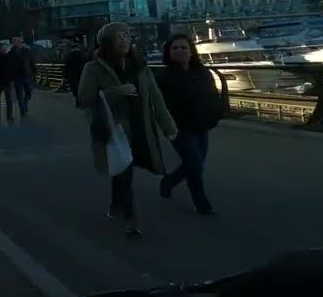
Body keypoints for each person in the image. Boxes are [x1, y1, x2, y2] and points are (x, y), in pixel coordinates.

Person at [78, 22, 178, 236]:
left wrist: (168, 126)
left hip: (141, 127)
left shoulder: (140, 66)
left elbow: (156, 99)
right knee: (124, 172)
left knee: (123, 171)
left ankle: (116, 206)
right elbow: (84, 99)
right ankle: (132, 220)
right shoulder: (93, 68)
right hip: (114, 130)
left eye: (127, 35)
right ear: (107, 42)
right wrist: (116, 92)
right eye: (119, 36)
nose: (125, 39)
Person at [157, 34, 226, 216]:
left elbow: (212, 96)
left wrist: (215, 114)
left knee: (195, 162)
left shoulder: (202, 72)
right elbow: (161, 105)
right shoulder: (163, 76)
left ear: (191, 51)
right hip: (180, 128)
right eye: (175, 48)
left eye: (183, 47)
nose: (179, 51)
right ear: (169, 52)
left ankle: (169, 181)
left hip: (202, 125)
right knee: (195, 165)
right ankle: (200, 201)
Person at [0, 43, 17, 123]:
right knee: (7, 99)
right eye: (4, 48)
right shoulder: (5, 58)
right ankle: (8, 116)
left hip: (1, 82)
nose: (5, 49)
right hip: (3, 81)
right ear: (0, 49)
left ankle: (1, 114)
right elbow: (11, 70)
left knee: (0, 99)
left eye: (5, 48)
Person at [9, 36, 35, 116]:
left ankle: (24, 104)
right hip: (16, 76)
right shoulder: (11, 53)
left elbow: (31, 61)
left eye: (18, 42)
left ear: (21, 43)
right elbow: (8, 66)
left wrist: (34, 72)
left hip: (27, 74)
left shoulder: (26, 51)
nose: (16, 43)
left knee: (29, 92)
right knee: (19, 94)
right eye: (15, 42)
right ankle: (22, 109)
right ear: (13, 43)